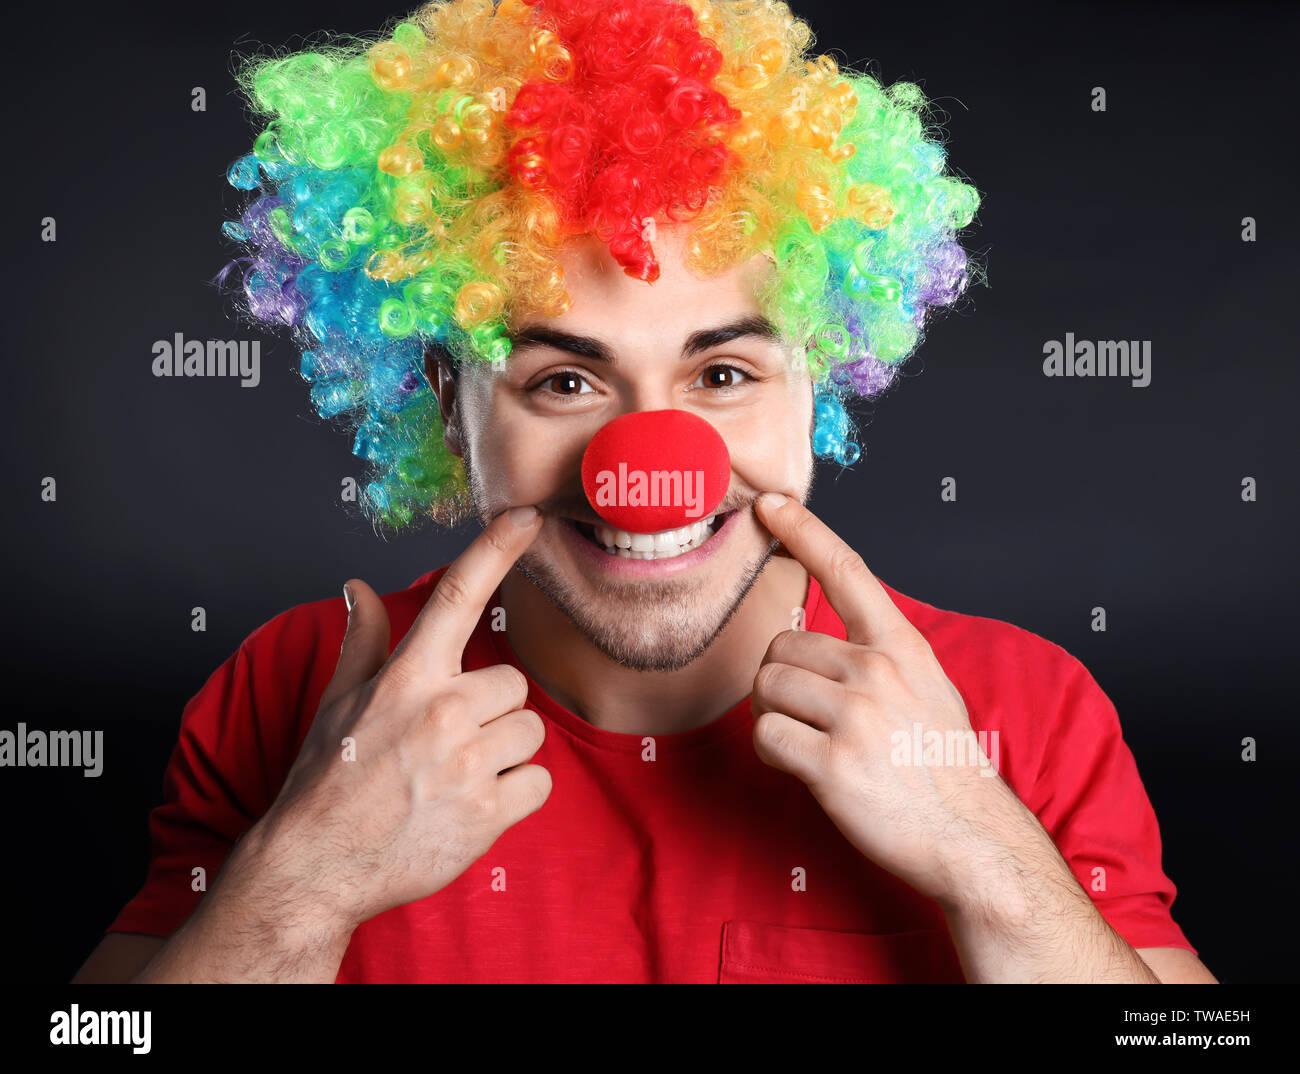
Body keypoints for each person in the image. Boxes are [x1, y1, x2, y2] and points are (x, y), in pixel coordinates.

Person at [74, 0, 1215, 983]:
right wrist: (306, 884)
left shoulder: (1022, 709)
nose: (648, 457)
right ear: (444, 402)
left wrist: (985, 860)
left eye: (721, 374)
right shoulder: (299, 695)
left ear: (816, 378)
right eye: (564, 379)